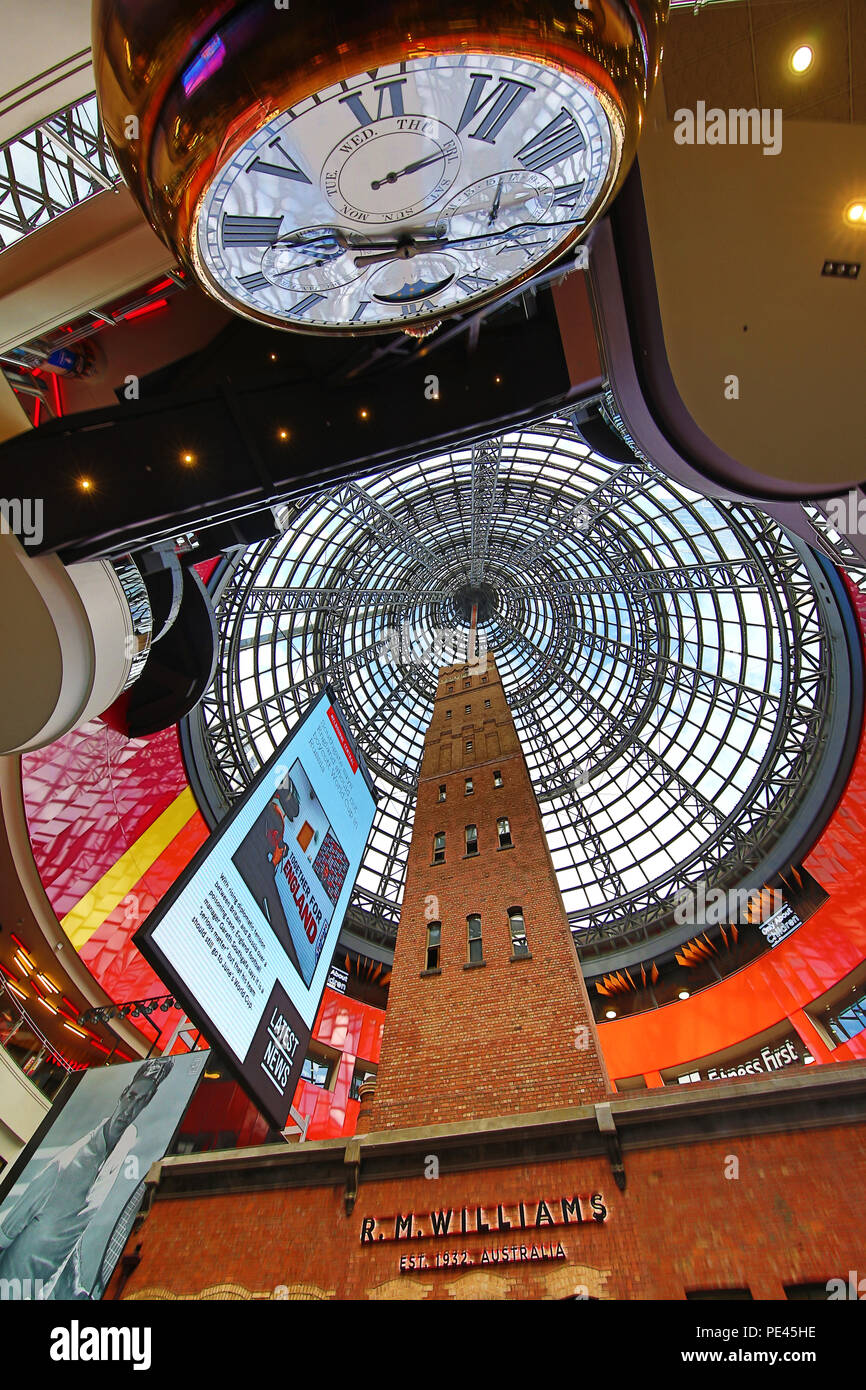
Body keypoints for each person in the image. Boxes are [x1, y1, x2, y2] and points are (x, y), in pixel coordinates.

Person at [0, 1057, 173, 1298]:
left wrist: (75, 1290)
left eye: (142, 1101)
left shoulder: (121, 1149)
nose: (131, 1109)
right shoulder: (60, 1169)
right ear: (123, 1094)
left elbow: (70, 1236)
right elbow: (3, 1237)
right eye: (132, 1097)